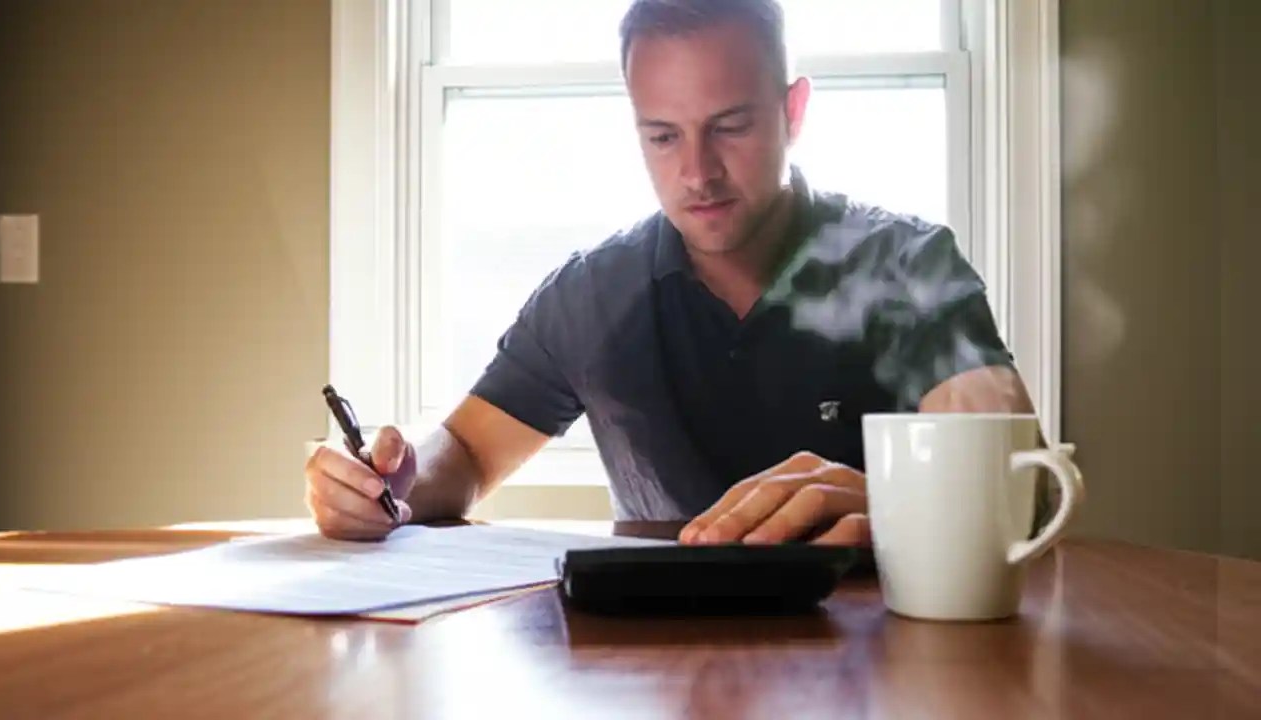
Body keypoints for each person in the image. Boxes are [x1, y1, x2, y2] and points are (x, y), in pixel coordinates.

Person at [304, 0, 1036, 545]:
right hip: (655, 673)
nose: (697, 173)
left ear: (793, 111)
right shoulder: (592, 295)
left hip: (883, 664)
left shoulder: (908, 265)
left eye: (731, 127)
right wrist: (388, 484)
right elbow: (463, 452)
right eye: (663, 136)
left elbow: (1017, 476)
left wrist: (899, 507)